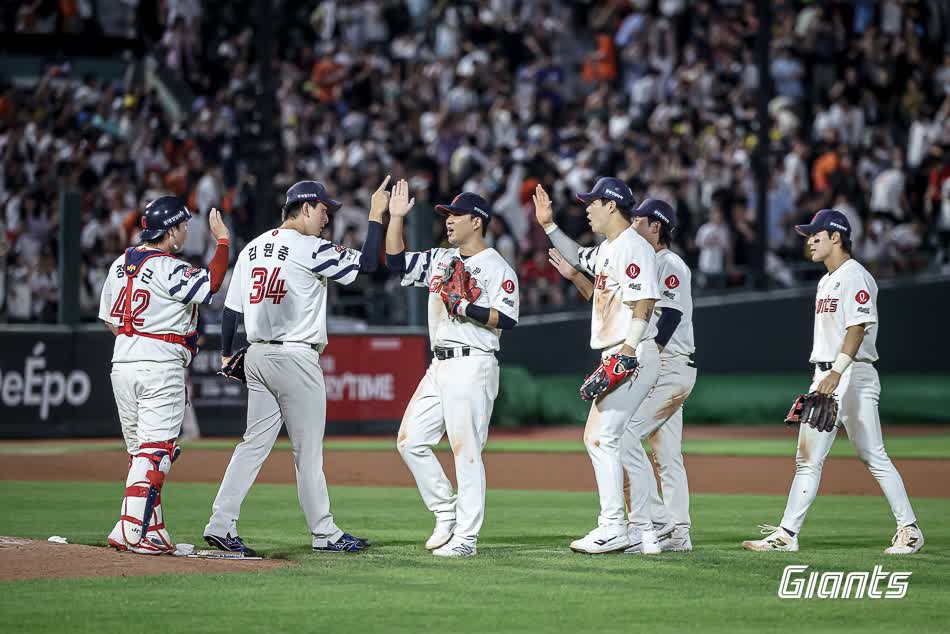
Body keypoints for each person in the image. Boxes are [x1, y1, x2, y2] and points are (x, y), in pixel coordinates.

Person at [203, 178, 389, 555]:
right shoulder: (310, 247)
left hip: (255, 354)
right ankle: (324, 533)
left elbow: (231, 310)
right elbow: (369, 264)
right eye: (323, 210)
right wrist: (375, 215)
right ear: (305, 208)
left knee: (252, 446)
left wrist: (226, 355)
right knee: (307, 452)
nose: (326, 219)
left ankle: (220, 524)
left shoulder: (253, 248)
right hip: (295, 357)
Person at [742, 209, 924, 554]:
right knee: (807, 459)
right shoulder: (826, 280)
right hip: (826, 374)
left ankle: (910, 530)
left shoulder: (855, 276)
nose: (809, 241)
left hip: (853, 374)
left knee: (872, 454)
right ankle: (786, 535)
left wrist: (837, 373)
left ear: (835, 236)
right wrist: (826, 377)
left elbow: (857, 328)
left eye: (815, 235)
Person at [549, 198, 696, 554]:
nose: (635, 224)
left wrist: (636, 356)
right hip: (650, 359)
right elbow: (602, 296)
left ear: (656, 226)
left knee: (623, 438)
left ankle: (653, 525)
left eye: (642, 220)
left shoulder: (667, 261)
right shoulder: (624, 252)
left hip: (669, 362)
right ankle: (669, 532)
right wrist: (573, 271)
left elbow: (669, 316)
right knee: (662, 453)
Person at [386, 179, 519, 557]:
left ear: (476, 221)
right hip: (439, 364)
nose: (448, 221)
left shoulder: (497, 266)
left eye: (456, 215)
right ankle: (446, 510)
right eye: (446, 215)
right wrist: (395, 218)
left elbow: (507, 318)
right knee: (410, 441)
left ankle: (466, 538)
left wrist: (464, 307)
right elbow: (395, 262)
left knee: (466, 451)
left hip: (474, 363)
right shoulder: (440, 259)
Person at [534, 178, 661, 554]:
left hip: (630, 353)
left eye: (592, 202)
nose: (586, 208)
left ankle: (612, 527)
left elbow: (645, 302)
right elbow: (578, 257)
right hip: (623, 352)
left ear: (612, 205)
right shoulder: (609, 248)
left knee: (599, 437)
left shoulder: (632, 247)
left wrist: (627, 350)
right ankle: (643, 531)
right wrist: (548, 225)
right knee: (621, 442)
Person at [99, 196, 230, 554]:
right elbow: (211, 283)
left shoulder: (119, 263)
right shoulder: (167, 266)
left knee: (142, 454)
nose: (186, 232)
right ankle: (128, 527)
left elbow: (111, 320)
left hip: (123, 362)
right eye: (183, 227)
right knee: (156, 453)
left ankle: (152, 531)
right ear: (170, 230)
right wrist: (223, 241)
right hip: (159, 365)